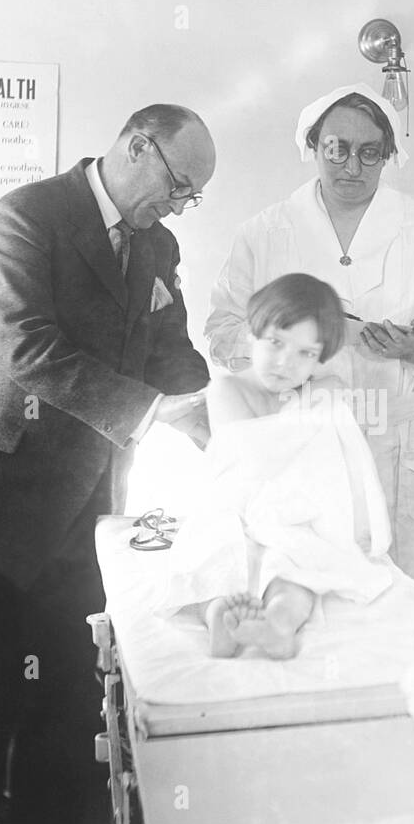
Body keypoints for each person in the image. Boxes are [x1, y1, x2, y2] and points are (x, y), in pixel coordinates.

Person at [0, 103, 214, 824]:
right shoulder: (25, 219)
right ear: (136, 147)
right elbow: (28, 351)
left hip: (84, 507)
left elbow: (170, 347)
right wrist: (149, 414)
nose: (178, 206)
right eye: (179, 185)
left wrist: (223, 410)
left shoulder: (157, 244)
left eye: (190, 197)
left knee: (66, 697)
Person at [205, 85, 414, 627]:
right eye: (336, 147)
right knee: (310, 593)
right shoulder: (265, 233)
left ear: (387, 156)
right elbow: (221, 327)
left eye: (369, 152)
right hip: (301, 440)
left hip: (408, 441)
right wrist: (284, 351)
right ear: (314, 146)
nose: (351, 165)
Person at [160, 274, 395, 660]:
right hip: (233, 511)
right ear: (252, 334)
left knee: (296, 570)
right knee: (212, 563)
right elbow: (252, 465)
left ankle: (279, 624)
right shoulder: (227, 390)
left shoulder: (322, 390)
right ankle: (221, 616)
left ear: (321, 358)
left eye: (307, 353)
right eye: (276, 343)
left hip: (289, 515)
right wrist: (308, 400)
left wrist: (316, 393)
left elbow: (326, 468)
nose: (286, 362)